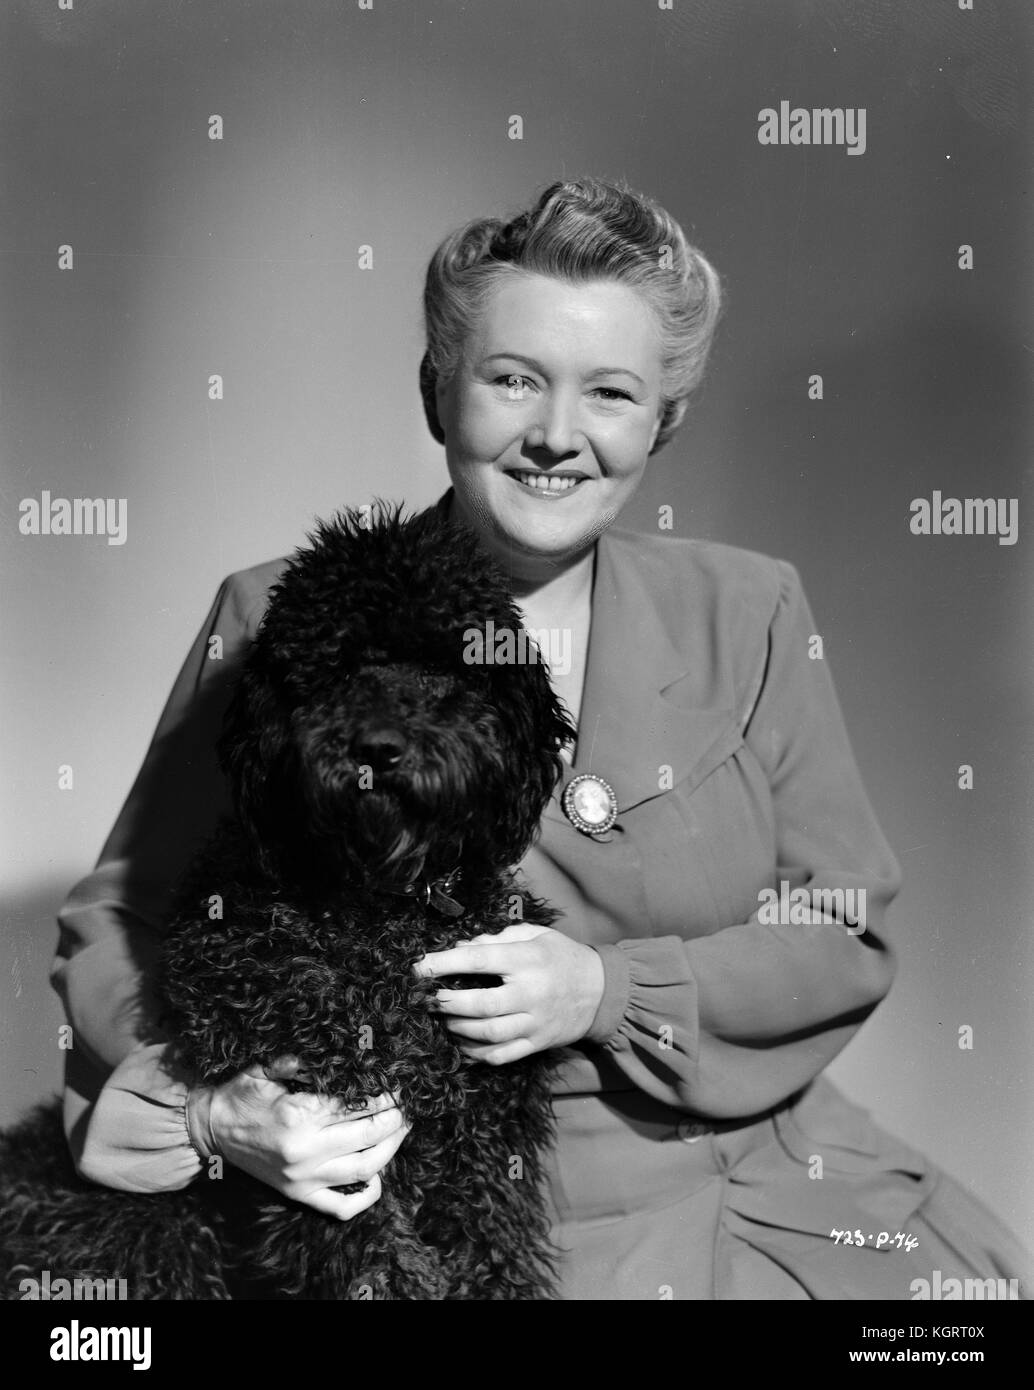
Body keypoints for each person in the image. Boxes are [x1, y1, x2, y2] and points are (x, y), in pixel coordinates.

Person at [53, 177, 1030, 1299]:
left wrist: (606, 990)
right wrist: (217, 1109)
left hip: (732, 1198)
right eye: (512, 379)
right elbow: (121, 911)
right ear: (437, 393)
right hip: (402, 1221)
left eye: (610, 394)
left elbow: (840, 926)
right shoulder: (272, 612)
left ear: (661, 419)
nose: (557, 437)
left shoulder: (749, 610)